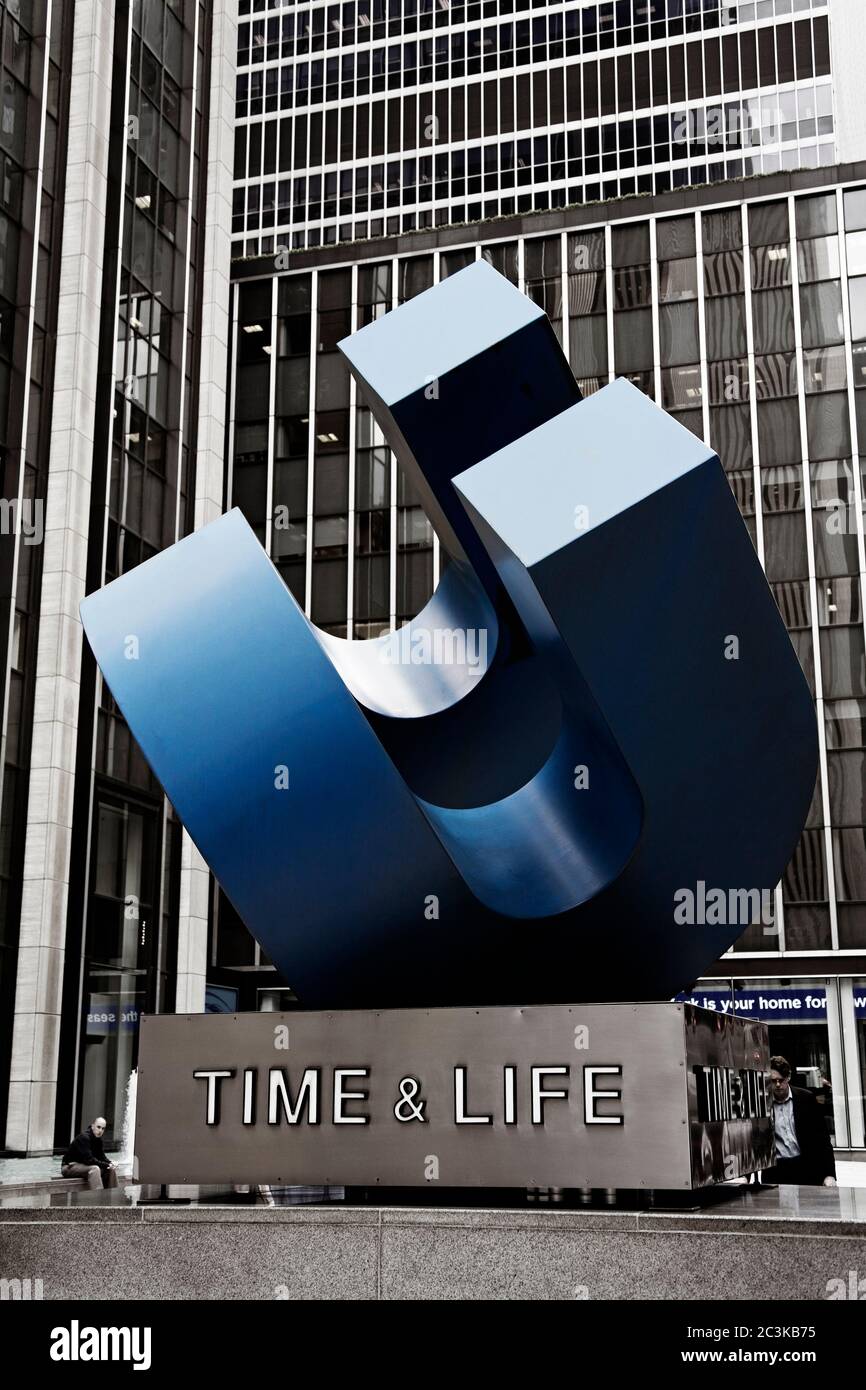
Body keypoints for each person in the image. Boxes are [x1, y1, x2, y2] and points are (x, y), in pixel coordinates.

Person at [763, 1056, 836, 1187]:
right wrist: (745, 1177)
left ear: (788, 1077)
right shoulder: (762, 1104)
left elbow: (823, 1140)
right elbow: (753, 1141)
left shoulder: (806, 1099)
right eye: (773, 1081)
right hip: (776, 1171)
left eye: (781, 1080)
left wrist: (829, 1174)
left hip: (805, 1168)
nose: (778, 1085)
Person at [61, 1116, 118, 1191]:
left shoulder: (98, 1140)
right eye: (98, 1127)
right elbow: (89, 1160)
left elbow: (102, 1157)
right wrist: (107, 1164)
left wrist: (111, 1163)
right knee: (95, 1169)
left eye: (103, 1128)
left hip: (84, 1166)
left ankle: (115, 1197)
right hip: (69, 1167)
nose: (100, 1130)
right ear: (93, 1126)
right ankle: (99, 1199)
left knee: (111, 1169)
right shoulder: (84, 1138)